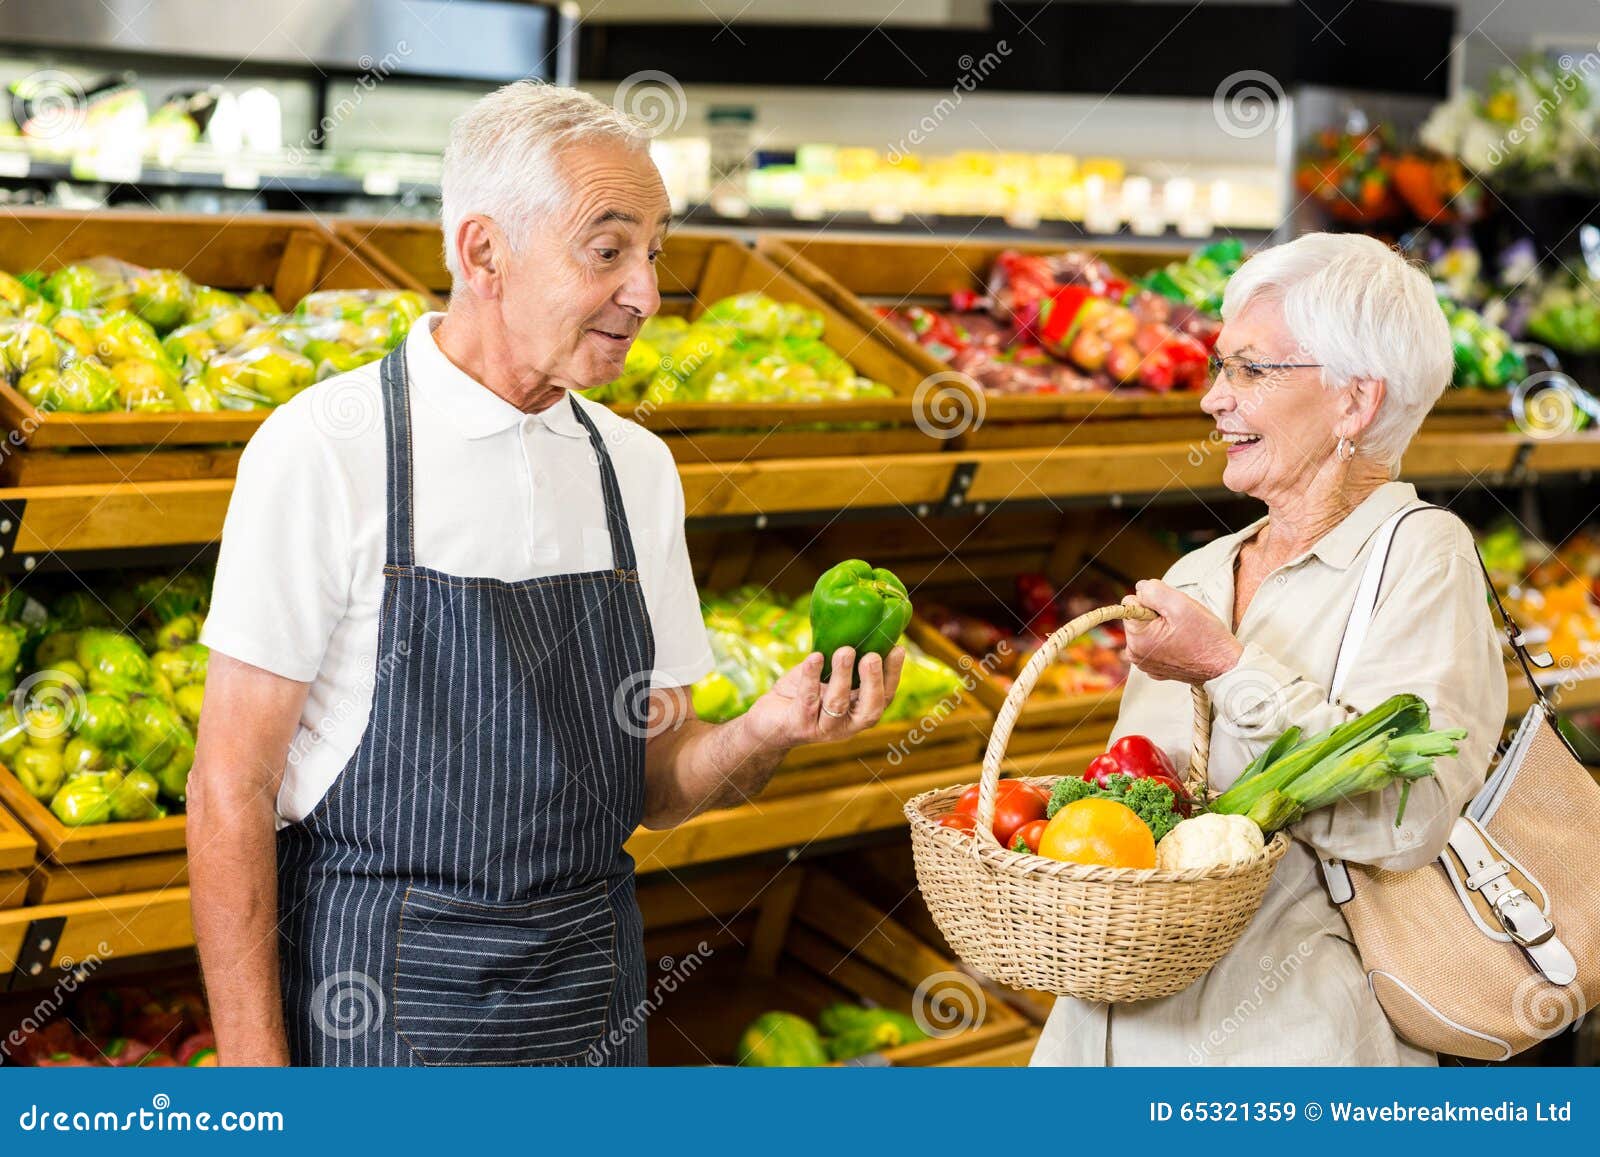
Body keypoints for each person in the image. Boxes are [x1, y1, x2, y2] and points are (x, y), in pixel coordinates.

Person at [187, 82, 902, 1067]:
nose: (647, 292)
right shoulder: (328, 449)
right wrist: (256, 1089)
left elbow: (658, 779)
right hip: (379, 1003)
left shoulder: (634, 471)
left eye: (655, 250)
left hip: (589, 1000)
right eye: (608, 250)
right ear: (483, 252)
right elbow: (231, 787)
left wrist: (766, 729)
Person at [1031, 232, 1508, 1066]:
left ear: (1355, 401)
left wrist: (1228, 666)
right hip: (1099, 1041)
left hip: (1282, 1052)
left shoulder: (1422, 556)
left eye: (1250, 370)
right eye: (1220, 368)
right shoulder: (1200, 572)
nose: (1214, 399)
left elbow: (1411, 816)